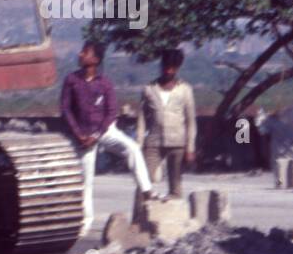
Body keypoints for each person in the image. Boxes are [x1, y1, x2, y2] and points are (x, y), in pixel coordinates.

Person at [60, 40, 153, 235]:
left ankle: (147, 190)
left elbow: (111, 112)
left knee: (132, 148)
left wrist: (96, 134)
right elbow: (66, 109)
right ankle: (85, 224)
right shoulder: (71, 80)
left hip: (104, 131)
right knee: (86, 181)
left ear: (95, 59)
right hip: (82, 135)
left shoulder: (105, 83)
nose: (80, 54)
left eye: (85, 52)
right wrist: (79, 134)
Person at [136, 48, 197, 198]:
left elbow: (191, 122)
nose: (169, 70)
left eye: (173, 67)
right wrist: (139, 144)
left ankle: (174, 210)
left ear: (177, 68)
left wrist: (190, 148)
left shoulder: (185, 90)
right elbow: (141, 120)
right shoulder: (149, 89)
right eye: (166, 66)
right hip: (153, 142)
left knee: (175, 184)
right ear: (161, 65)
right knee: (145, 181)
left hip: (177, 143)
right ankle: (141, 211)